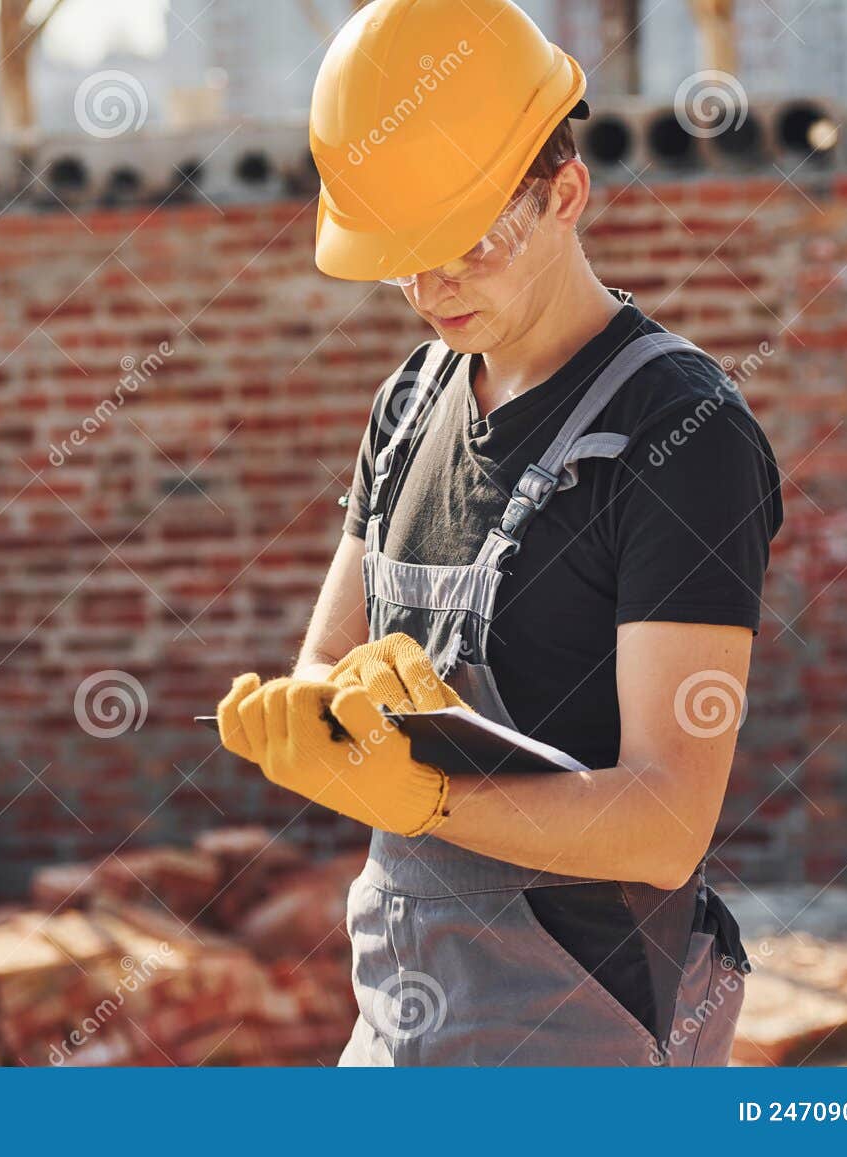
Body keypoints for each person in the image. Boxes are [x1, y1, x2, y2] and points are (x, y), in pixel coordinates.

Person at [215, 0, 783, 1066]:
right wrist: (320, 724)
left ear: (564, 192)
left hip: (583, 1038)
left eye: (464, 245)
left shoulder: (678, 433)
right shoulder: (409, 401)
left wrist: (427, 790)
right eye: (402, 260)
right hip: (399, 1014)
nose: (430, 290)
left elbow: (665, 824)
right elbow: (326, 667)